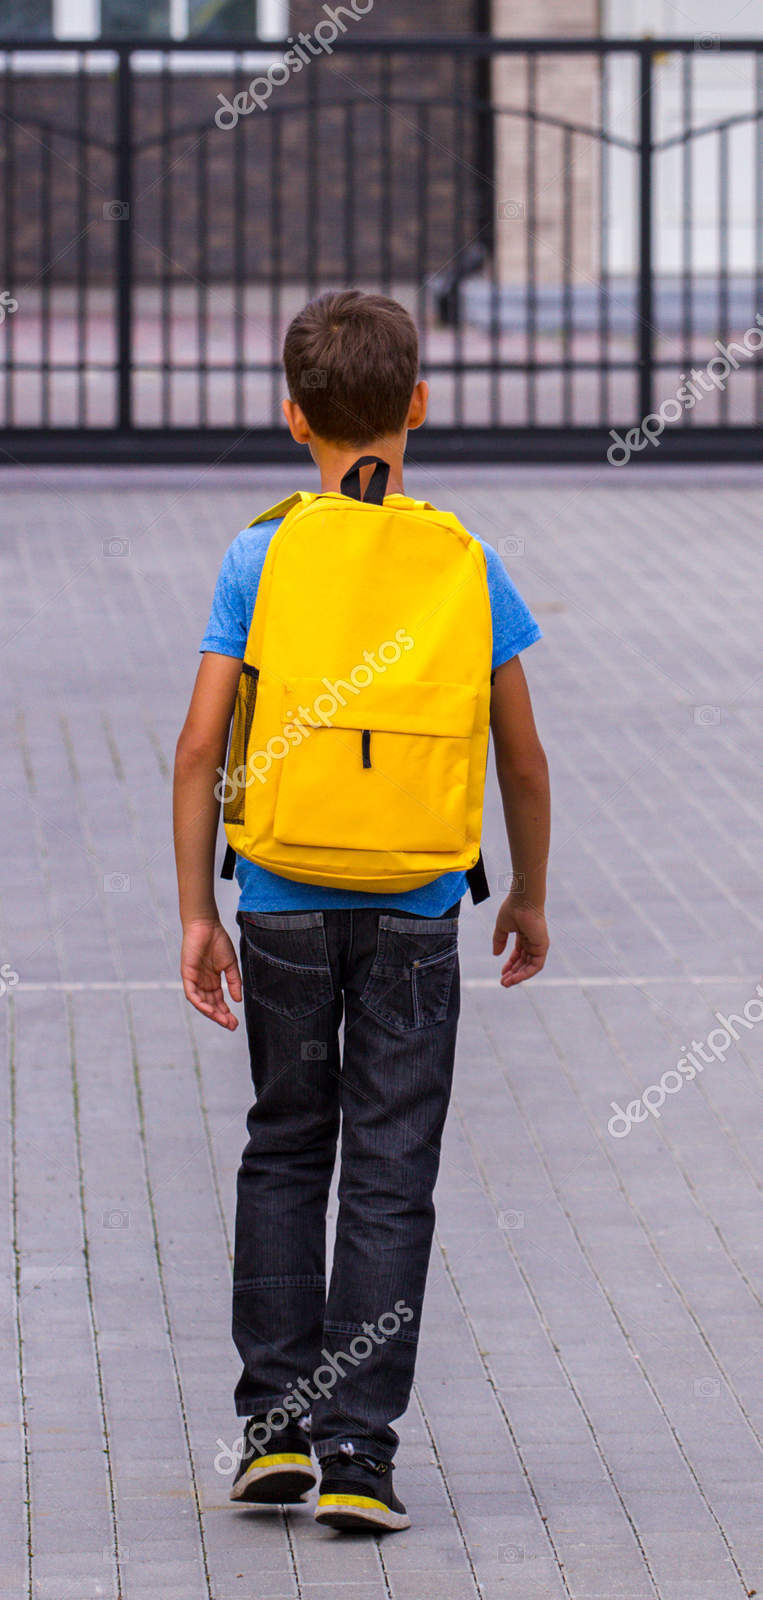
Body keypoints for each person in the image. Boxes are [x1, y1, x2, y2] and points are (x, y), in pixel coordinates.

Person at [172, 290, 551, 1533]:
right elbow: (522, 754)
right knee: (389, 1169)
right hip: (415, 906)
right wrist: (529, 895)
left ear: (293, 419)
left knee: (286, 1141)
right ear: (418, 406)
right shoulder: (465, 558)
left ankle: (272, 1427)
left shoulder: (259, 553)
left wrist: (195, 911)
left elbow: (194, 748)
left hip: (277, 895)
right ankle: (357, 1453)